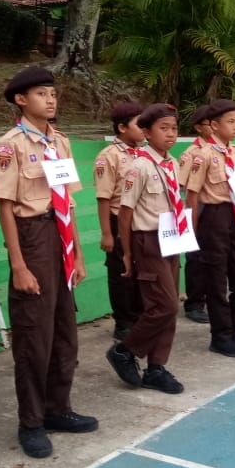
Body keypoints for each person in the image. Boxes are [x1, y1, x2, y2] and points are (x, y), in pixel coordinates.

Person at [0, 66, 98, 460]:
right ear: (21, 100)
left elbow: (68, 201)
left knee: (64, 332)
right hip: (32, 235)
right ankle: (31, 421)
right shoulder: (11, 145)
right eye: (41, 94)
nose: (51, 100)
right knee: (34, 336)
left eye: (53, 93)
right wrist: (18, 265)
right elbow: (5, 206)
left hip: (61, 235)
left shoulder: (62, 142)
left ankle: (59, 408)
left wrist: (78, 255)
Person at [105, 103, 185, 394]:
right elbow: (125, 212)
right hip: (147, 241)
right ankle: (125, 350)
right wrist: (127, 252)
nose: (171, 134)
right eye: (163, 129)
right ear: (147, 132)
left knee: (169, 307)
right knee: (164, 305)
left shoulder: (171, 163)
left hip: (171, 237)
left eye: (174, 128)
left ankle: (156, 368)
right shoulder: (138, 166)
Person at [184, 99, 235, 357]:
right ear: (214, 125)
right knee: (216, 280)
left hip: (234, 217)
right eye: (230, 122)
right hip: (212, 218)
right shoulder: (202, 155)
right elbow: (192, 195)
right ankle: (221, 335)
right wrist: (190, 231)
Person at [93, 103, 145, 342]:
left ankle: (141, 315)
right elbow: (104, 198)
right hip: (117, 220)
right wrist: (107, 233)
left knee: (142, 270)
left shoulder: (144, 153)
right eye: (139, 124)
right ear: (122, 128)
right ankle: (124, 322)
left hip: (142, 220)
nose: (144, 129)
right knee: (121, 272)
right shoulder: (109, 157)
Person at [178, 105, 212, 323]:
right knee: (196, 257)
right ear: (199, 127)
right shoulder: (191, 154)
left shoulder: (223, 150)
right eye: (209, 123)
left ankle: (209, 298)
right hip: (198, 206)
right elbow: (183, 186)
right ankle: (194, 303)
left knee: (213, 256)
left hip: (218, 209)